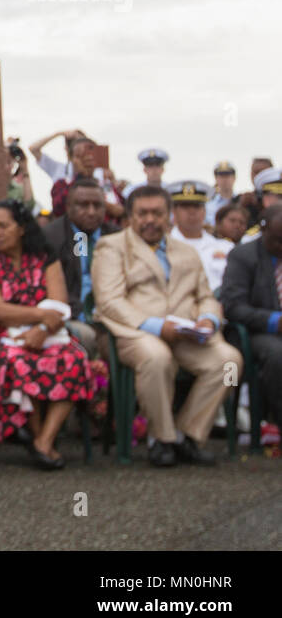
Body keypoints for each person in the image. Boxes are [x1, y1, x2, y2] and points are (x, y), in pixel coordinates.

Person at [91, 186, 241, 466]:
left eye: (157, 213)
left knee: (228, 360)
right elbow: (109, 301)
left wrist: (209, 319)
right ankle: (161, 440)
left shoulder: (186, 251)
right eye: (143, 213)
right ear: (130, 217)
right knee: (157, 356)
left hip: (187, 333)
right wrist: (158, 327)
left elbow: (205, 296)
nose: (150, 219)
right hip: (134, 332)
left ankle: (187, 435)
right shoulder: (112, 247)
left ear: (168, 216)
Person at [0, 201, 94, 469]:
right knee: (19, 361)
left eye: (4, 226)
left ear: (22, 229)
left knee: (74, 359)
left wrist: (43, 329)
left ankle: (43, 441)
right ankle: (38, 437)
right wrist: (40, 316)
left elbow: (59, 304)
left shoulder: (45, 258)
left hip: (48, 335)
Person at [219, 209, 282, 431]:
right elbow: (232, 306)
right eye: (277, 240)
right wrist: (275, 321)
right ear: (262, 231)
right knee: (278, 355)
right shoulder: (243, 256)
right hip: (252, 332)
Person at [42, 178, 116, 355]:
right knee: (87, 336)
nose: (91, 212)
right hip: (73, 315)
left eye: (97, 205)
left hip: (112, 314)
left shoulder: (116, 236)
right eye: (83, 205)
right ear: (68, 207)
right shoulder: (51, 237)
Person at [168, 181, 234, 293]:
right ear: (174, 212)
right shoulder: (162, 247)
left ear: (204, 211)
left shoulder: (226, 248)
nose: (192, 211)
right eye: (185, 206)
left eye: (197, 206)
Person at [5, 139, 35, 209]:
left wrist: (25, 169)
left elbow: (29, 205)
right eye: (3, 161)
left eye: (9, 162)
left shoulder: (16, 187)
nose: (7, 166)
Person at [205, 161, 237, 225]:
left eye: (228, 175)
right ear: (216, 178)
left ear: (234, 178)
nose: (225, 179)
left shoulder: (240, 201)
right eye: (221, 176)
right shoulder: (208, 204)